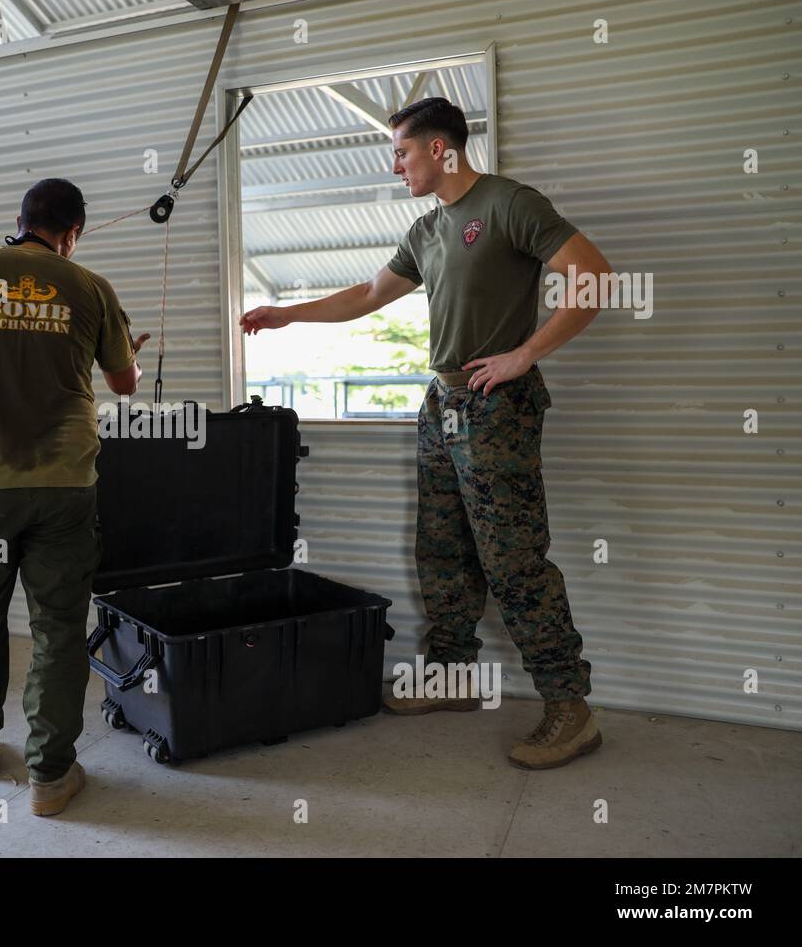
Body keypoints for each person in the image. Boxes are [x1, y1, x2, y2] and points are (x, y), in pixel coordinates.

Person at [241, 97, 613, 770]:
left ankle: (571, 707)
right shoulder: (427, 229)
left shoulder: (509, 204)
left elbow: (593, 276)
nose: (395, 166)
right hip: (441, 403)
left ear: (441, 149)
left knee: (513, 560)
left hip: (497, 407)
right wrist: (286, 314)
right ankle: (453, 676)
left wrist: (524, 354)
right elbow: (365, 295)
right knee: (443, 548)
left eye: (402, 153)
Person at [0, 178, 149, 815]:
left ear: (18, 220)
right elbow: (124, 384)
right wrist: (134, 359)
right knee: (58, 633)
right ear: (73, 234)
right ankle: (50, 777)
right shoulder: (90, 286)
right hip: (66, 487)